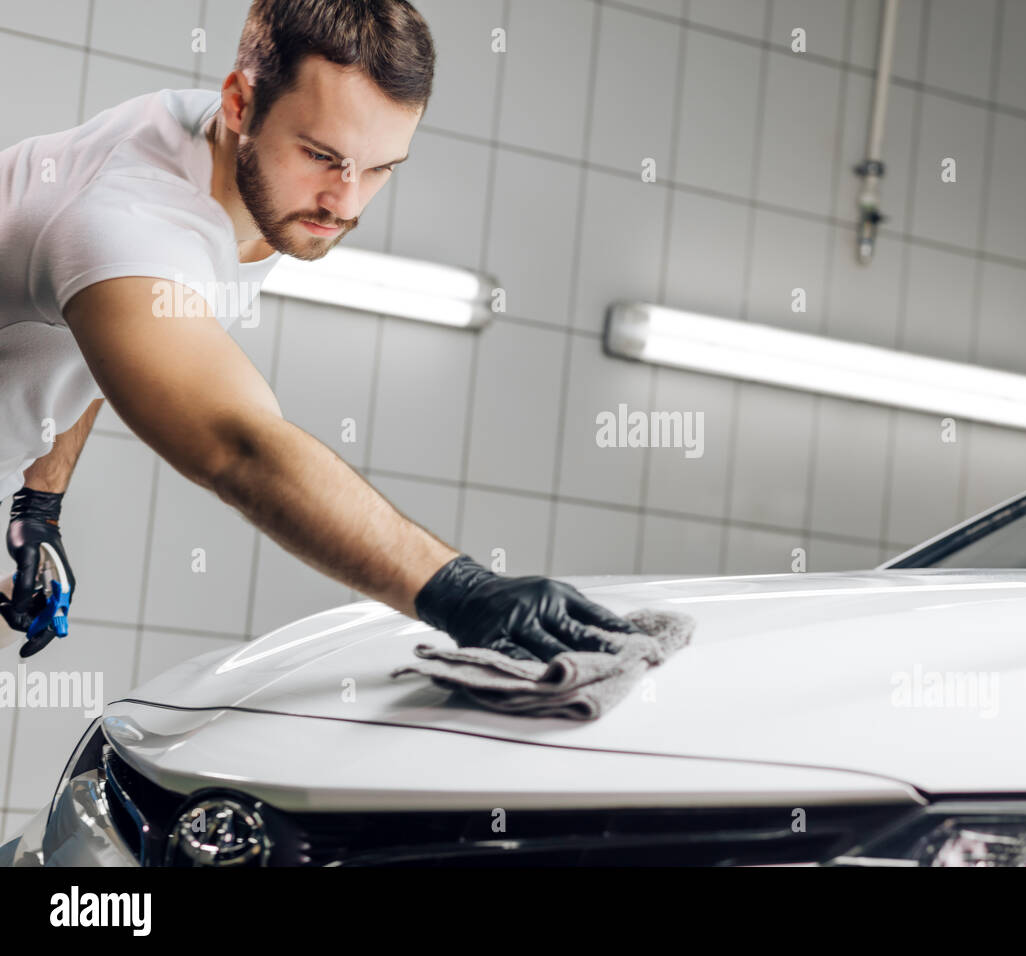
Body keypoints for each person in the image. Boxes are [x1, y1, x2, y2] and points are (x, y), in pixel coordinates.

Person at [0, 0, 641, 659]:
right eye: (322, 155)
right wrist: (462, 591)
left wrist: (38, 507)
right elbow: (239, 445)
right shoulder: (131, 220)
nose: (346, 202)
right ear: (239, 102)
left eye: (381, 168)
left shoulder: (241, 165)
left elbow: (96, 336)